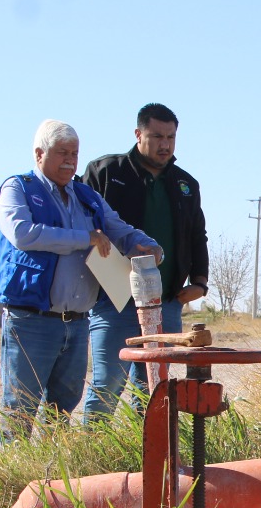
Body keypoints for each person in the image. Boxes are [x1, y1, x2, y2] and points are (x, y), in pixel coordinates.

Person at [0, 119, 160, 441]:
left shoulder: (86, 196)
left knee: (62, 408)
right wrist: (85, 237)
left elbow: (117, 228)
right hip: (30, 320)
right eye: (62, 153)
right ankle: (12, 483)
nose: (70, 161)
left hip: (78, 321)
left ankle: (53, 477)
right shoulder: (18, 188)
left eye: (75, 153)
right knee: (20, 409)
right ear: (39, 153)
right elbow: (22, 233)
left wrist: (146, 244)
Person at [81, 103, 210, 419]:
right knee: (107, 385)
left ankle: (152, 460)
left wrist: (200, 283)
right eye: (156, 136)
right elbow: (83, 224)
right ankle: (93, 460)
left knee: (156, 390)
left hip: (166, 302)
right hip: (115, 300)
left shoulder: (185, 184)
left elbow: (197, 235)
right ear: (138, 134)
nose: (165, 144)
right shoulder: (106, 172)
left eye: (171, 137)